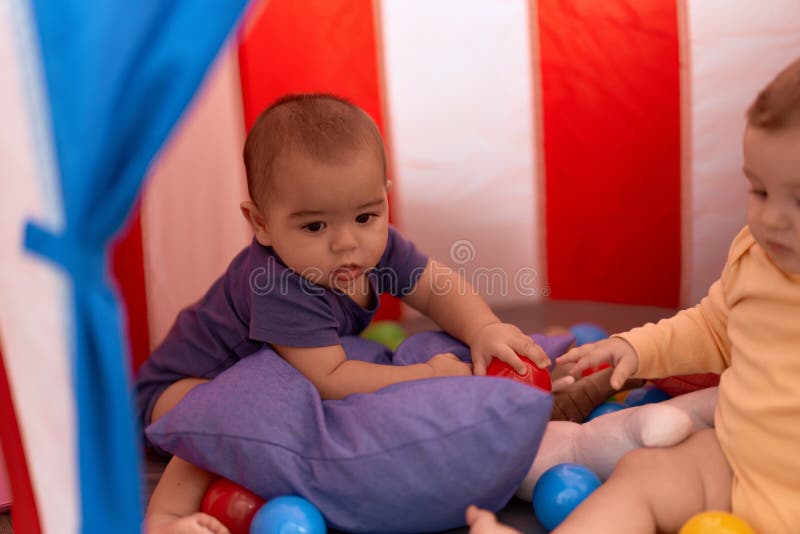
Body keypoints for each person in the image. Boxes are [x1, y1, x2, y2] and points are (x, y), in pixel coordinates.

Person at [140, 93, 552, 533]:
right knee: (229, 408)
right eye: (314, 226)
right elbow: (329, 379)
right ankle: (164, 518)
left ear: (384, 199)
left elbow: (435, 287)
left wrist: (483, 328)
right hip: (175, 394)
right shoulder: (279, 282)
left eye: (365, 216)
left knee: (321, 386)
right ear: (260, 223)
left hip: (289, 372)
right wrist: (427, 376)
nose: (345, 243)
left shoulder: (374, 244)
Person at [470, 55, 800, 533]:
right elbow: (712, 326)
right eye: (759, 190)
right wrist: (635, 348)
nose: (772, 219)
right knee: (644, 474)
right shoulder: (756, 255)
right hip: (738, 464)